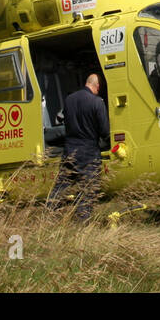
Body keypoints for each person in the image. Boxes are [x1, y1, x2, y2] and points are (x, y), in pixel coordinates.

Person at [46, 73, 110, 221]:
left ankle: (47, 214)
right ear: (97, 86)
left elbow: (64, 121)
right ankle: (82, 221)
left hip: (70, 150)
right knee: (88, 189)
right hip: (89, 151)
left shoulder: (69, 100)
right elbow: (105, 131)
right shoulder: (97, 102)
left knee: (61, 186)